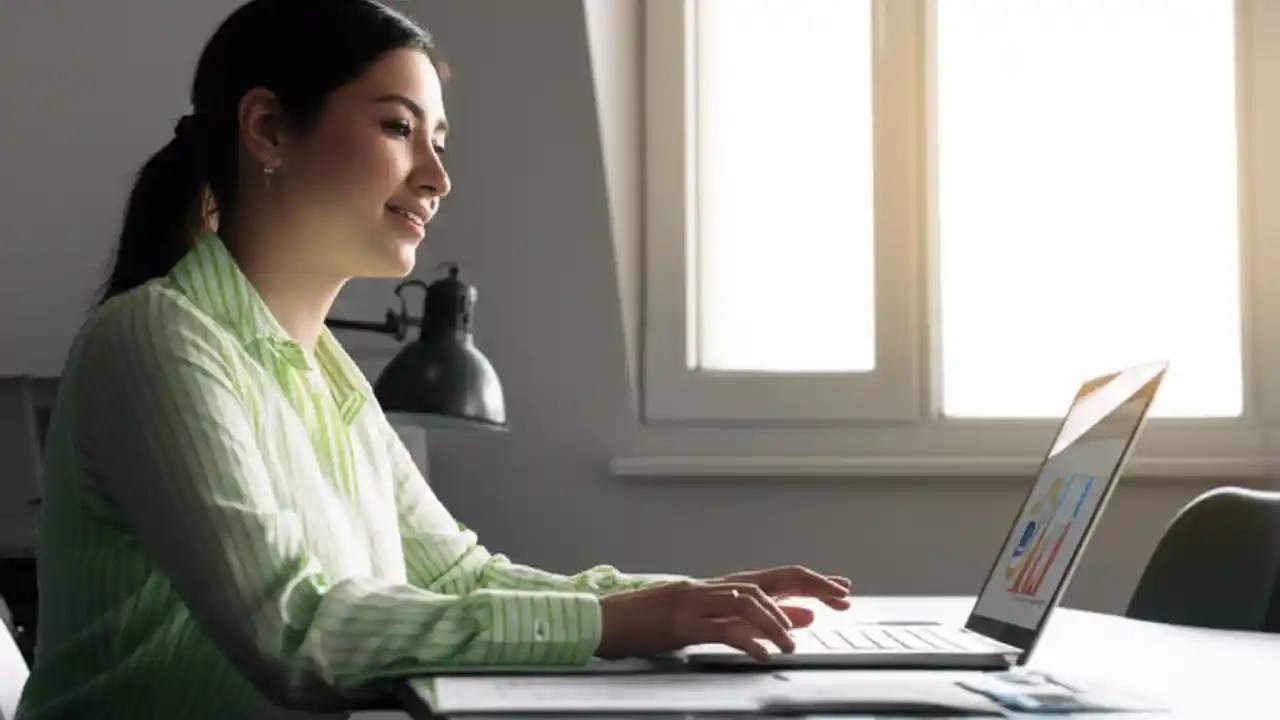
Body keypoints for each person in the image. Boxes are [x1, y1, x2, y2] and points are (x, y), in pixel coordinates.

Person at [16, 1, 852, 718]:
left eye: (438, 139)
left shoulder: (324, 371)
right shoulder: (157, 338)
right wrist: (622, 624)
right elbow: (296, 633)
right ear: (268, 128)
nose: (438, 176)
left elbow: (458, 575)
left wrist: (671, 602)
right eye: (398, 127)